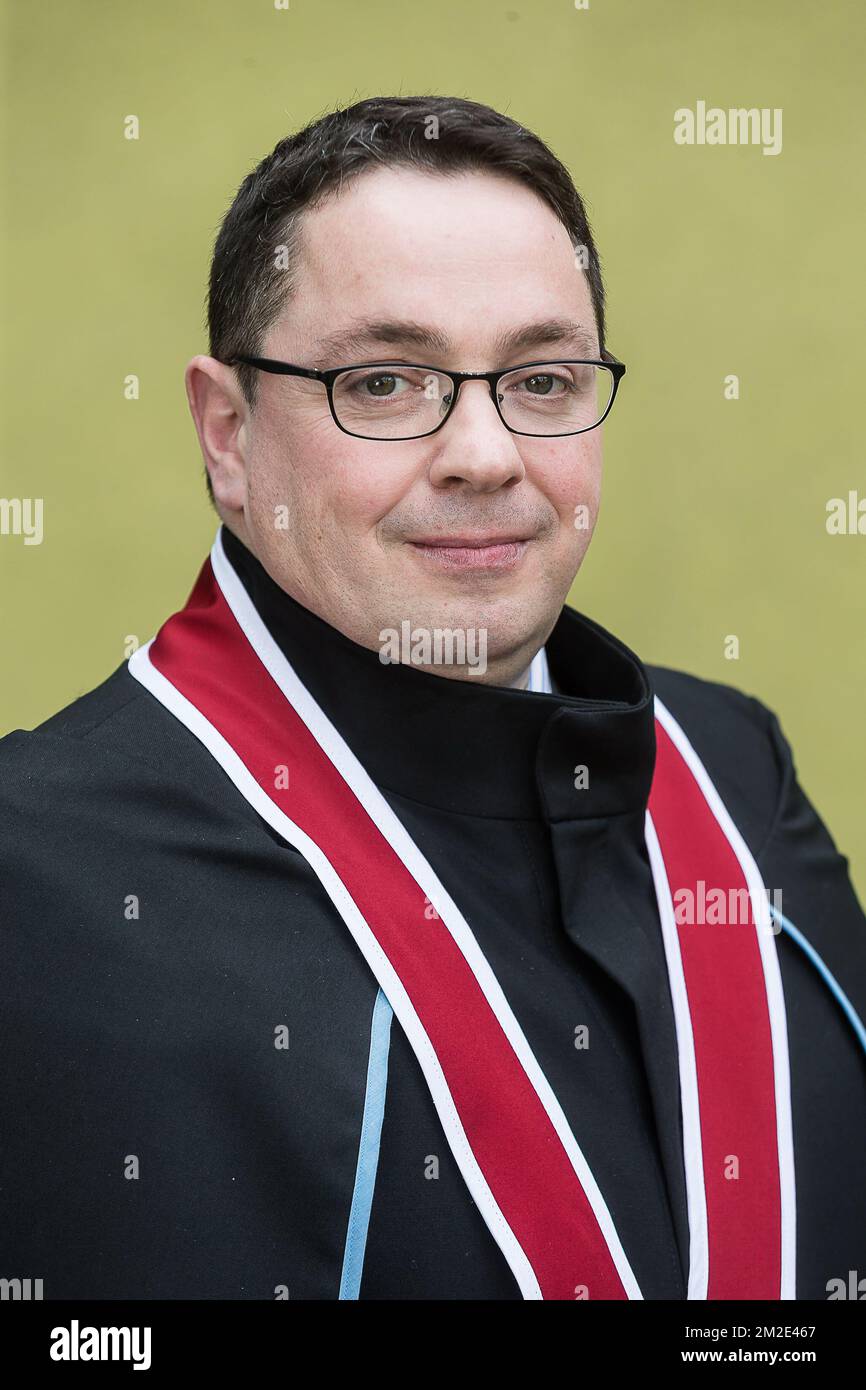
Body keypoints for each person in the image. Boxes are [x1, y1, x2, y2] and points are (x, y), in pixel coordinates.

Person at [1, 95, 864, 1302]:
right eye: (389, 381)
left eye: (543, 378)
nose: (485, 454)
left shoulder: (732, 778)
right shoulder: (36, 870)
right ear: (227, 433)